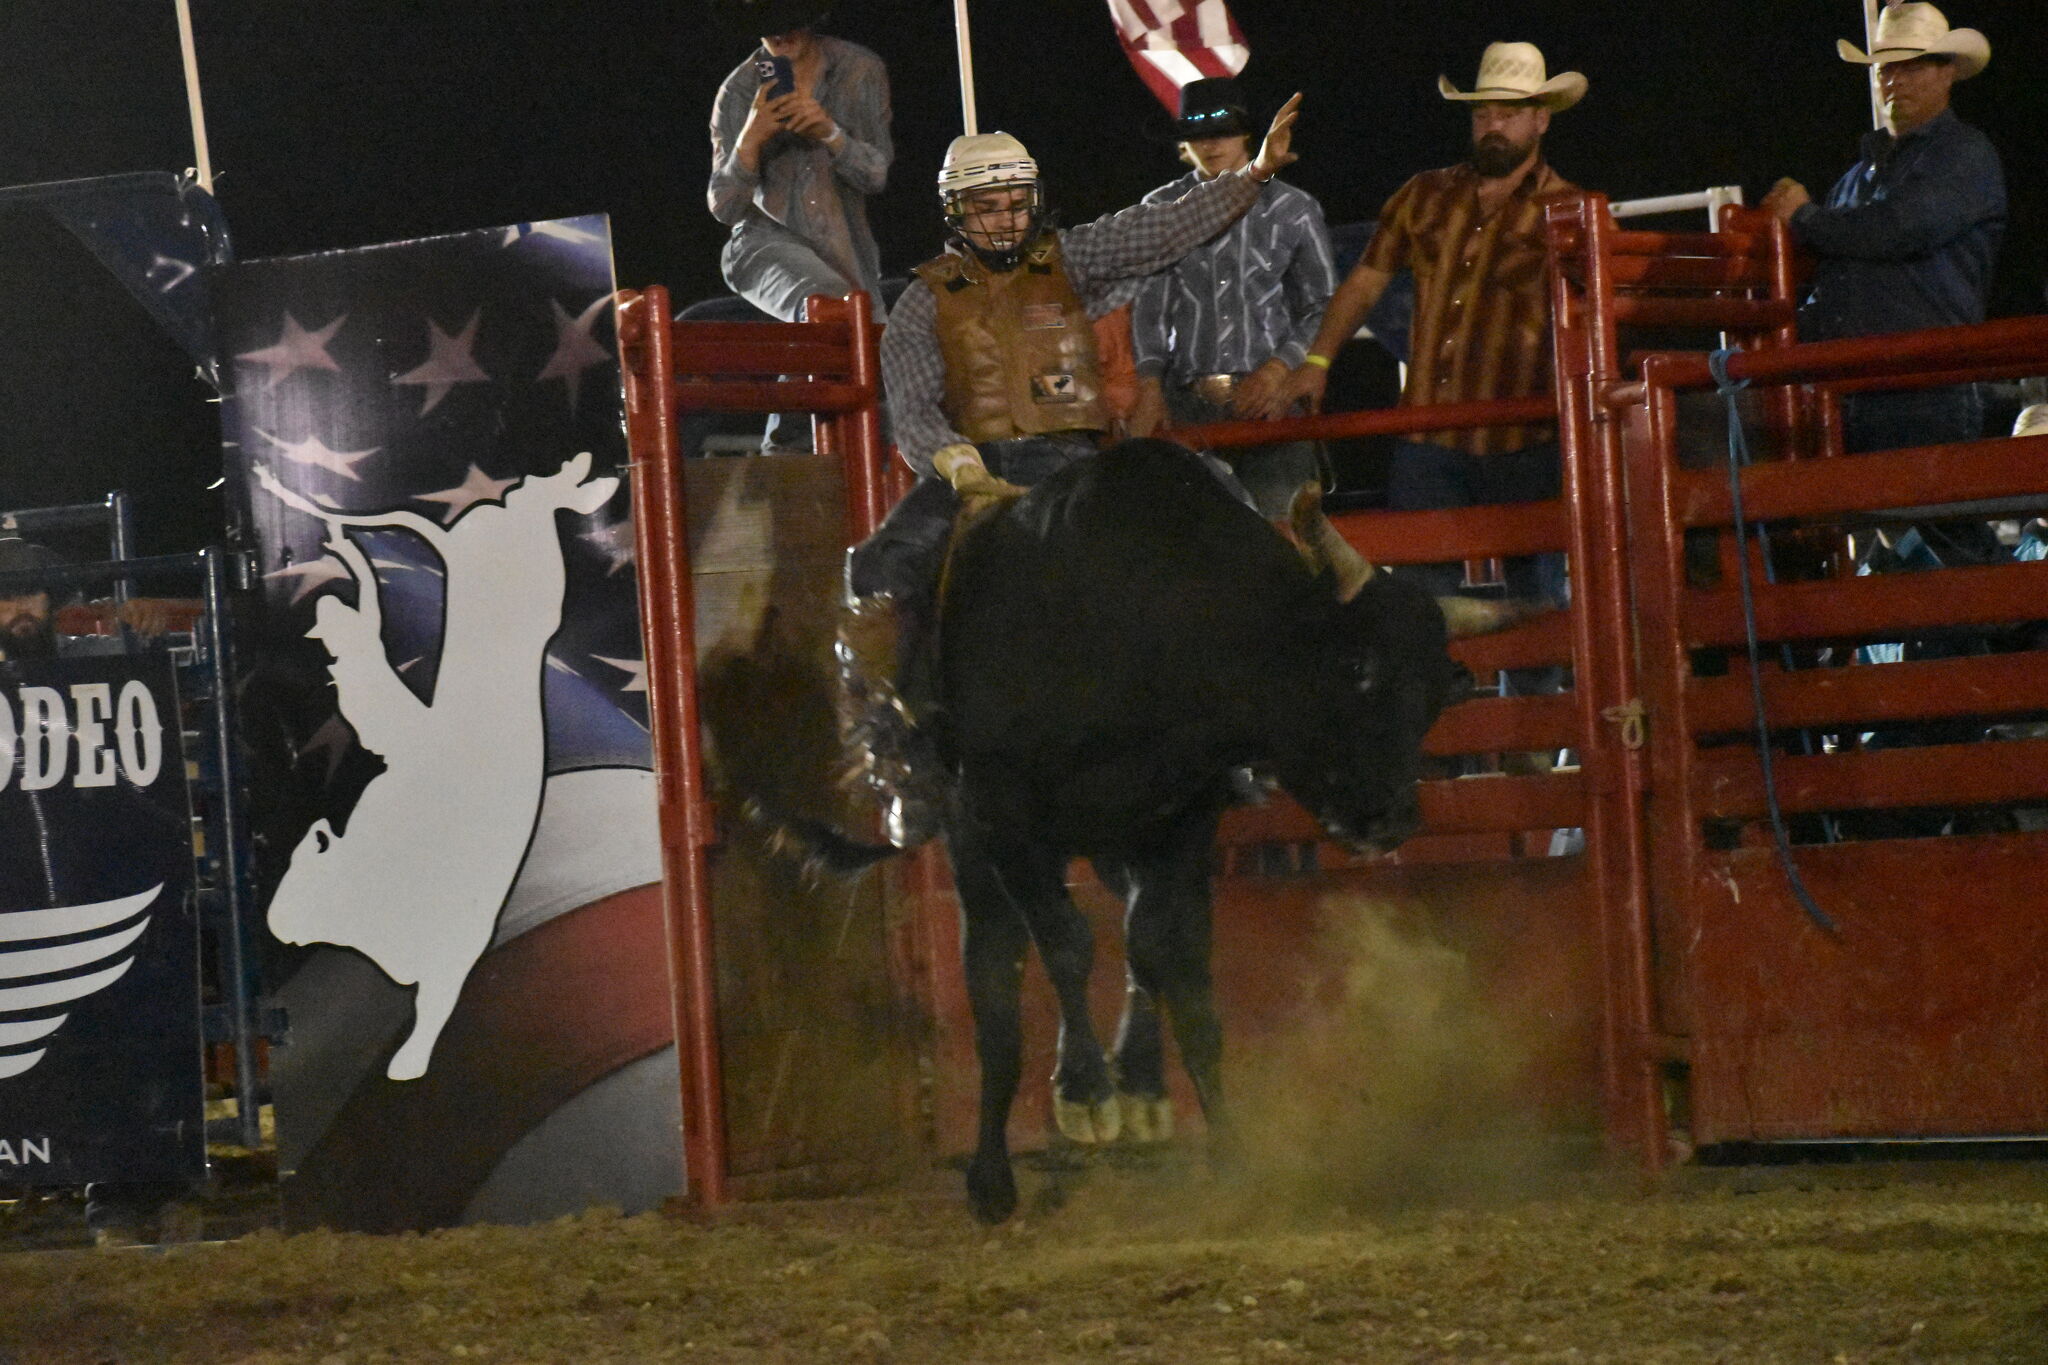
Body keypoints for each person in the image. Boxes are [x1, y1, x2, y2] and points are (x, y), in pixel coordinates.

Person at [840, 97, 1302, 844]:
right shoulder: (923, 304)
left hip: (1075, 457)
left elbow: (1159, 227)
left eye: (1015, 204)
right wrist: (958, 465)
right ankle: (904, 757)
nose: (1005, 220)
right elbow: (915, 410)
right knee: (879, 566)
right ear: (956, 212)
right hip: (973, 463)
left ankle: (1240, 723)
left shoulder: (1072, 259)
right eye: (986, 206)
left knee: (1213, 491)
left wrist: (1250, 176)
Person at [1278, 42, 1584, 612]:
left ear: (1541, 120)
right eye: (1482, 114)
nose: (1493, 127)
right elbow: (1365, 281)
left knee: (1533, 597)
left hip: (1521, 437)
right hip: (1430, 433)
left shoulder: (1570, 210)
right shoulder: (1424, 194)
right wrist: (1317, 361)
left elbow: (1593, 315)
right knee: (1423, 594)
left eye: (1508, 114)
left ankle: (1534, 668)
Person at [1761, 3, 2005, 469]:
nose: (1895, 81)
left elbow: (1901, 228)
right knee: (1890, 510)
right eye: (1886, 69)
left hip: (1926, 386)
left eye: (1912, 68)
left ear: (1947, 73)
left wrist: (1803, 217)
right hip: (1856, 387)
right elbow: (1845, 260)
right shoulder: (1857, 179)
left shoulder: (1964, 154)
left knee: (1923, 509)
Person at [1128, 77, 1338, 519]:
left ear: (1245, 135)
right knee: (1195, 541)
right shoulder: (1159, 207)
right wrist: (1148, 386)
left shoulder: (1294, 208)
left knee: (1284, 535)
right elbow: (1149, 310)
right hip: (1187, 406)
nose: (1210, 144)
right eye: (1198, 134)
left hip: (1274, 404)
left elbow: (1324, 304)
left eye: (1222, 132)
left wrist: (1278, 370)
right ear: (1184, 144)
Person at [707, 0, 891, 453]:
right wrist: (751, 137)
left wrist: (830, 133)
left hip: (844, 249)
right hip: (760, 244)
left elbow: (875, 175)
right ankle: (781, 453)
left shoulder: (858, 69)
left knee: (875, 357)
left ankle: (828, 465)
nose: (780, 36)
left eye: (788, 23)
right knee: (827, 305)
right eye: (768, 27)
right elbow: (724, 206)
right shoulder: (738, 89)